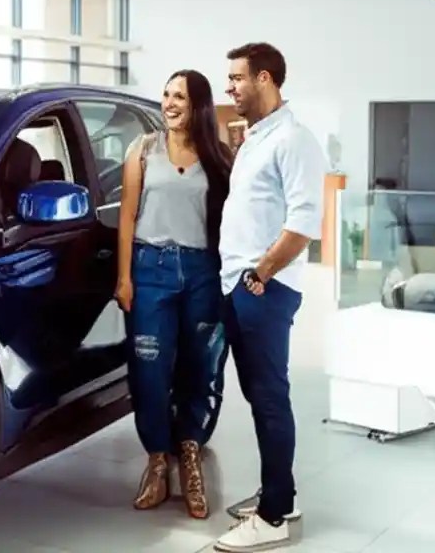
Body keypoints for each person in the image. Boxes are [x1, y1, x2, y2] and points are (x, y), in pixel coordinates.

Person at [213, 43, 326, 553]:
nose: (230, 87)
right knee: (260, 398)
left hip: (263, 286)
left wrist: (260, 272)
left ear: (265, 78)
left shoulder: (294, 140)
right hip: (241, 283)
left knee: (270, 398)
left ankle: (274, 516)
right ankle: (282, 492)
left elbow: (304, 224)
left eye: (237, 78)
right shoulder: (257, 138)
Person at [115, 69, 234, 519]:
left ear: (197, 103)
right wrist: (124, 278)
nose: (169, 103)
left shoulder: (217, 156)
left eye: (179, 96)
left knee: (202, 368)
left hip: (204, 270)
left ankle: (190, 455)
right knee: (149, 368)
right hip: (151, 270)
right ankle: (157, 462)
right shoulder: (142, 150)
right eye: (165, 95)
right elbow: (127, 216)